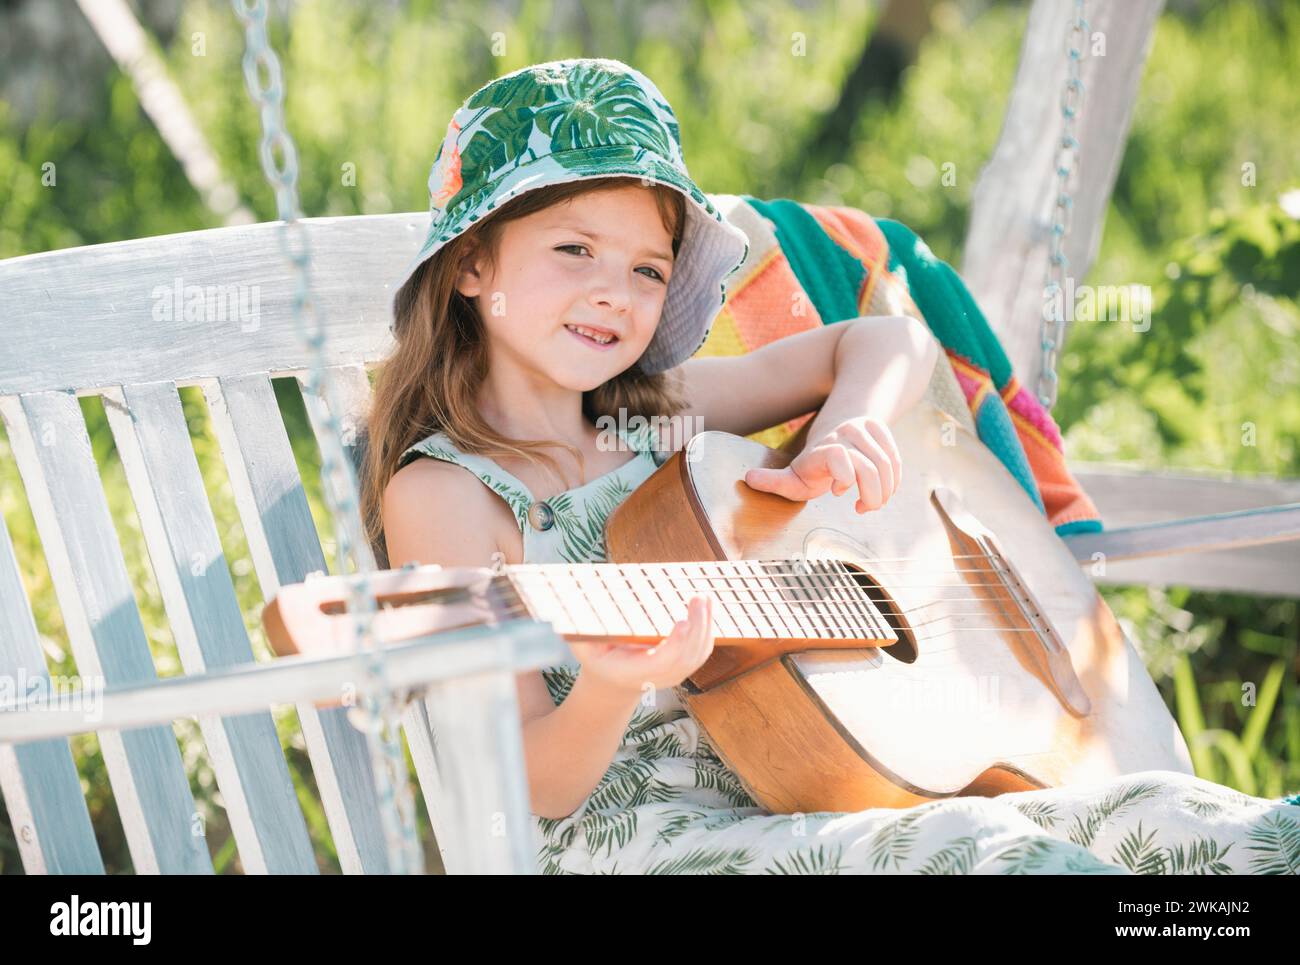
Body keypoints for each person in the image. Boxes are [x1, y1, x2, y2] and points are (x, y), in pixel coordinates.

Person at [362, 58, 1295, 875]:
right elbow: (528, 783)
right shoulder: (446, 495)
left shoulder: (657, 412)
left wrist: (847, 425)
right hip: (639, 841)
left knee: (1187, 824)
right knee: (1018, 861)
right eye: (574, 250)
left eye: (651, 269)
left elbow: (888, 340)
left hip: (810, 792)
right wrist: (610, 681)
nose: (616, 289)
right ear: (473, 266)